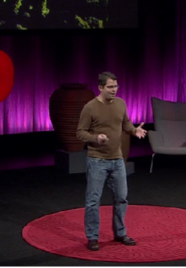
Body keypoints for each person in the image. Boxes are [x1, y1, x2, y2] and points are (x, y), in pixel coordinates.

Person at [76, 71, 147, 251]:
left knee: (122, 198)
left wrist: (134, 131)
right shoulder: (90, 107)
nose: (114, 90)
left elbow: (125, 124)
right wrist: (95, 138)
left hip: (117, 159)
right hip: (97, 160)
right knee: (93, 200)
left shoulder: (121, 103)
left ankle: (120, 233)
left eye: (115, 86)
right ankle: (92, 237)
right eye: (110, 87)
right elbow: (80, 132)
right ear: (100, 88)